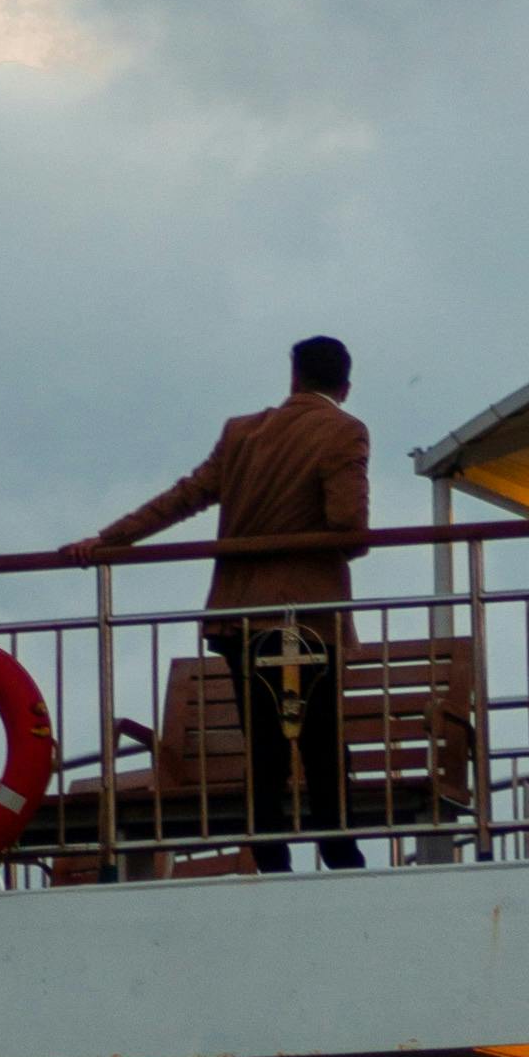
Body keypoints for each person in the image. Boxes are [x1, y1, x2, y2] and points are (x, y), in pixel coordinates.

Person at [74, 341, 372, 872]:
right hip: (305, 618)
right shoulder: (344, 431)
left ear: (294, 378)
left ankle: (270, 855)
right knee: (320, 738)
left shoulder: (242, 434)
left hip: (237, 618)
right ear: (345, 387)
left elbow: (183, 497)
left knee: (264, 745)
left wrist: (108, 540)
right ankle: (339, 852)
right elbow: (348, 527)